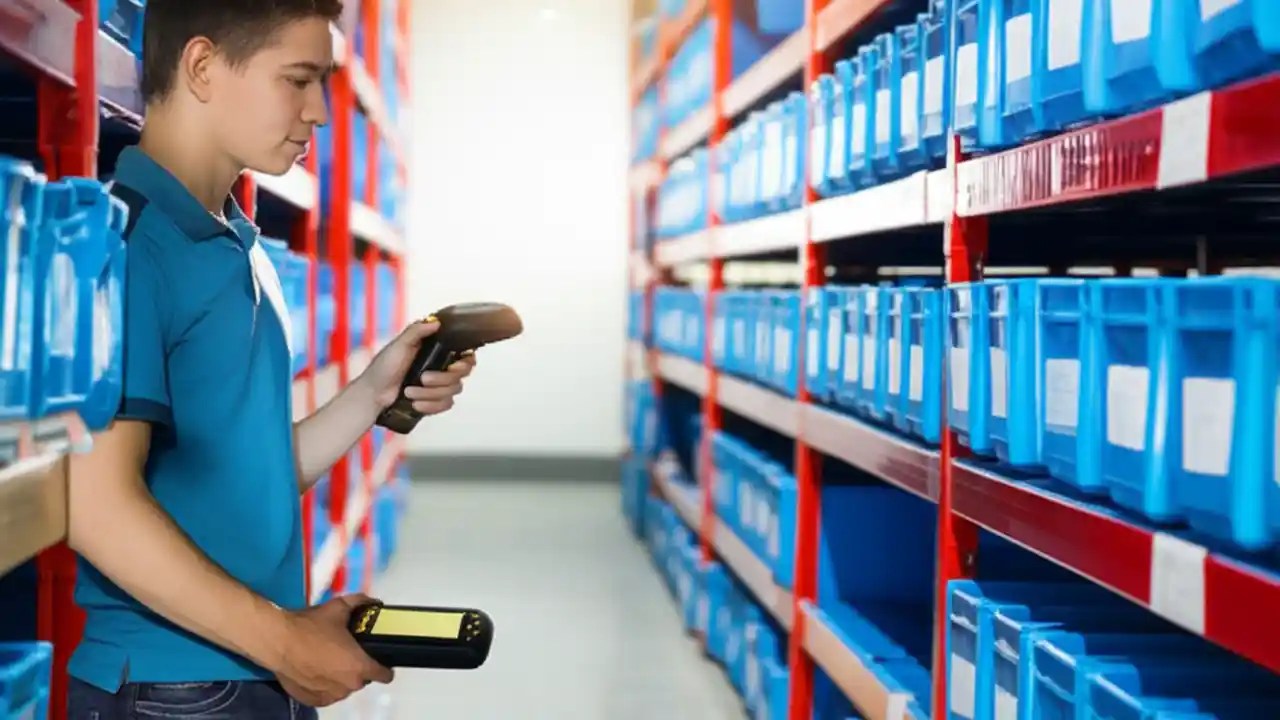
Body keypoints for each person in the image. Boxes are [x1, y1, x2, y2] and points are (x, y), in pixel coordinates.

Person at [64, 1, 469, 717]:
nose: (318, 111)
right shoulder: (125, 247)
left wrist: (371, 394)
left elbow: (239, 478)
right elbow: (95, 504)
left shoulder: (232, 240)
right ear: (201, 67)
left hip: (235, 669)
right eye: (298, 79)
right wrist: (288, 644)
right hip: (170, 690)